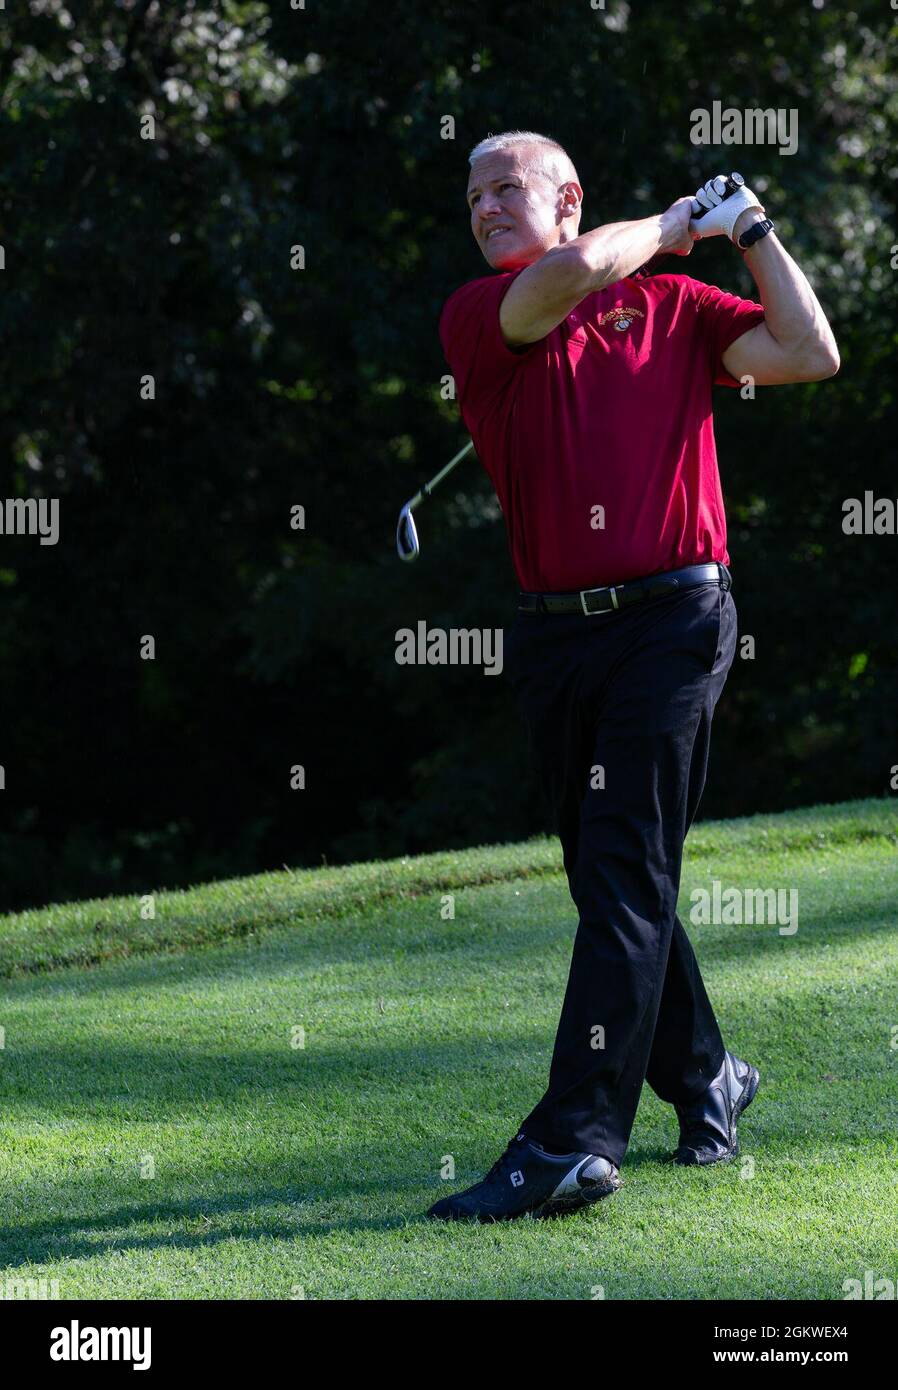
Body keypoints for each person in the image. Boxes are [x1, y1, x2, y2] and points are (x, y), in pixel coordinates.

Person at [428, 130, 839, 1223]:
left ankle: (571, 1141)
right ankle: (708, 1071)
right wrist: (671, 227)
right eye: (472, 194)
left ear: (567, 195)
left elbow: (808, 351)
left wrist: (747, 230)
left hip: (674, 619)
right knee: (612, 877)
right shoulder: (483, 313)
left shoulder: (673, 311)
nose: (483, 207)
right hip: (556, 636)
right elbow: (564, 280)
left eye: (504, 186)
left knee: (621, 869)